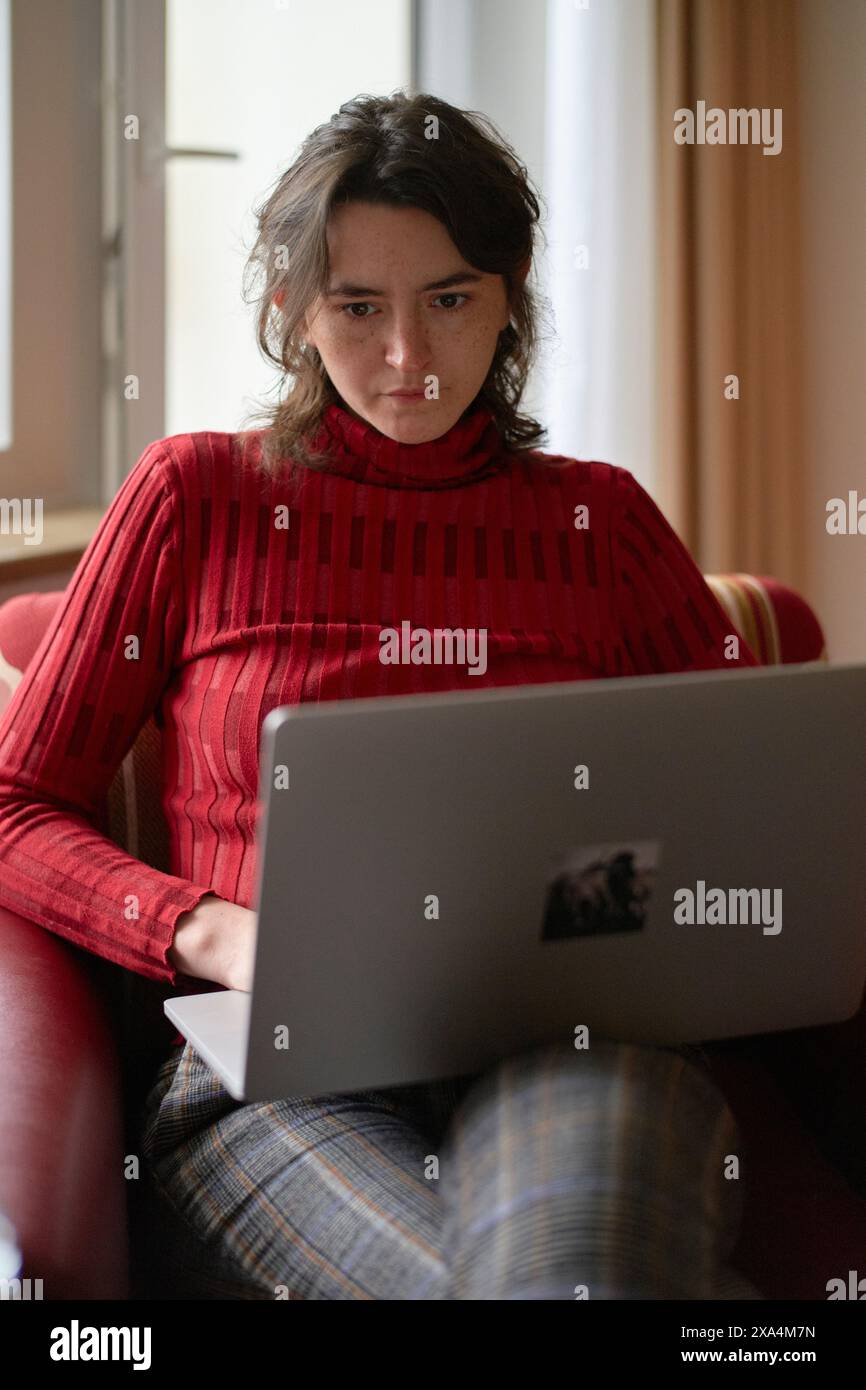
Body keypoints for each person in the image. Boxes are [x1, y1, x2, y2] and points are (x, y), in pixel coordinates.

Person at [0, 90, 766, 1300]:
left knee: (572, 1271)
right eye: (357, 308)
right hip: (280, 1079)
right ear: (291, 313)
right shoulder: (194, 498)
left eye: (449, 300)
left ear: (508, 299)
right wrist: (207, 928)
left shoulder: (600, 523)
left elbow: (756, 799)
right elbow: (13, 803)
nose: (407, 358)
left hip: (567, 1052)